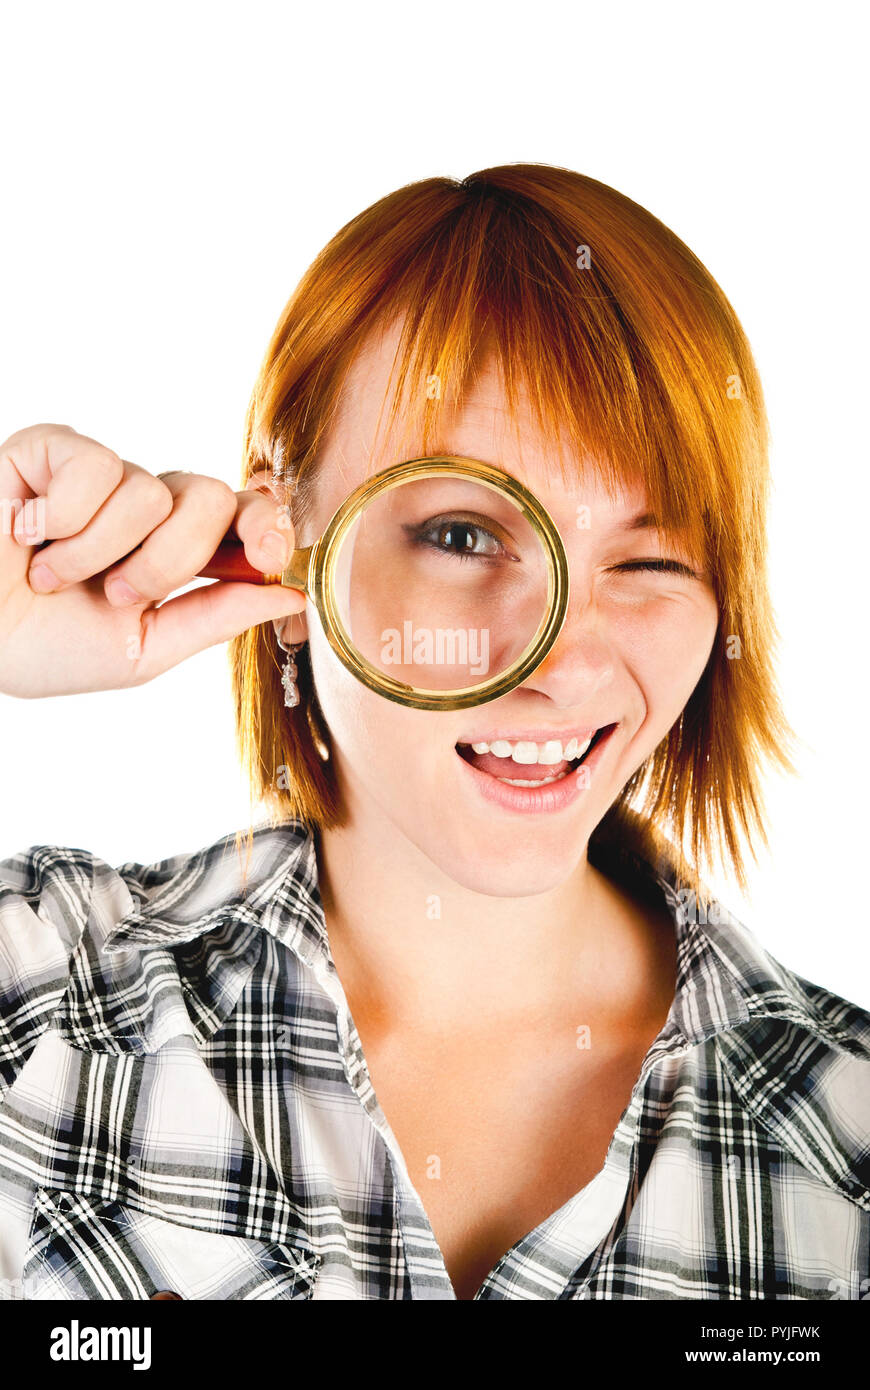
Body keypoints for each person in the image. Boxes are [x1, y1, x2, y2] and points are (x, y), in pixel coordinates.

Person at [0, 164, 867, 1302]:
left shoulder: (845, 1152)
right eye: (461, 534)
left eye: (649, 561)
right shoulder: (40, 993)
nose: (560, 666)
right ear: (284, 545)